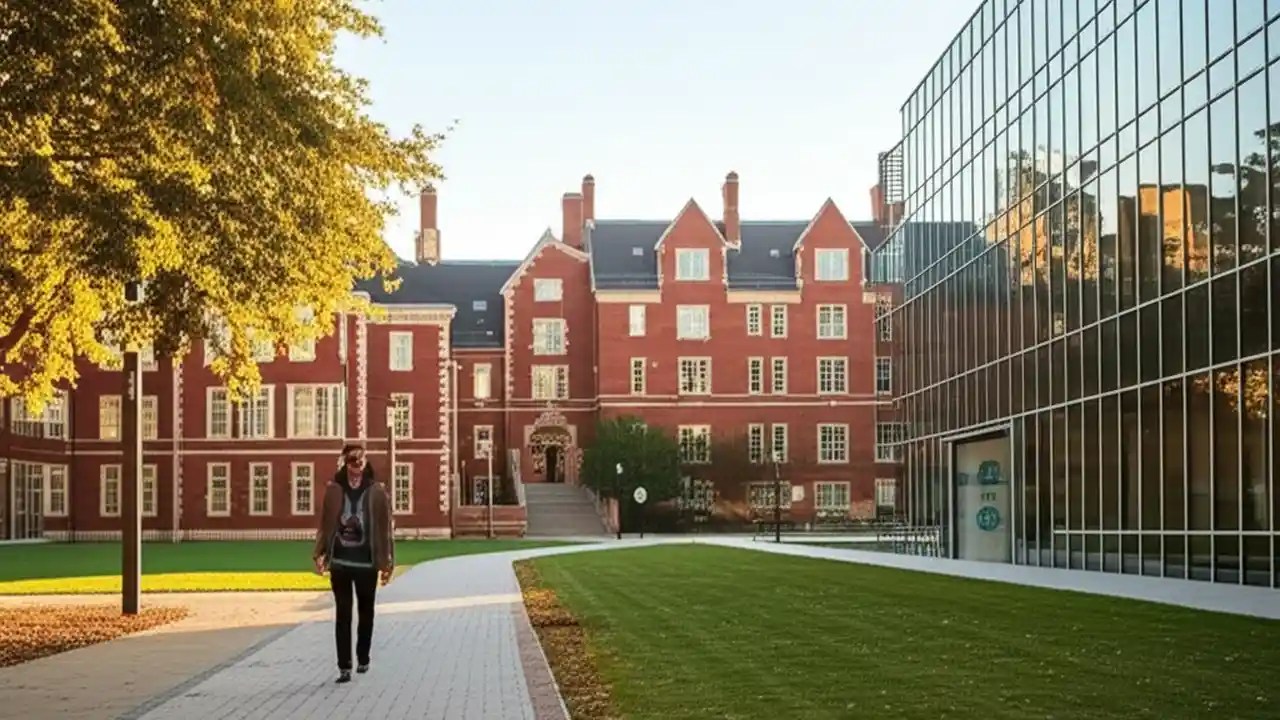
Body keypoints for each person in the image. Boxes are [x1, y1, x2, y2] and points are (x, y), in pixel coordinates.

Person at [312, 444, 395, 683]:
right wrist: (320, 553)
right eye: (351, 463)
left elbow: (384, 529)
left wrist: (387, 561)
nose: (356, 469)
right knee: (343, 613)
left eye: (359, 463)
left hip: (367, 562)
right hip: (340, 561)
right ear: (344, 463)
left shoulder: (377, 491)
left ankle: (363, 657)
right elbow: (325, 525)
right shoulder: (334, 490)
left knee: (366, 611)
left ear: (365, 463)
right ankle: (344, 666)